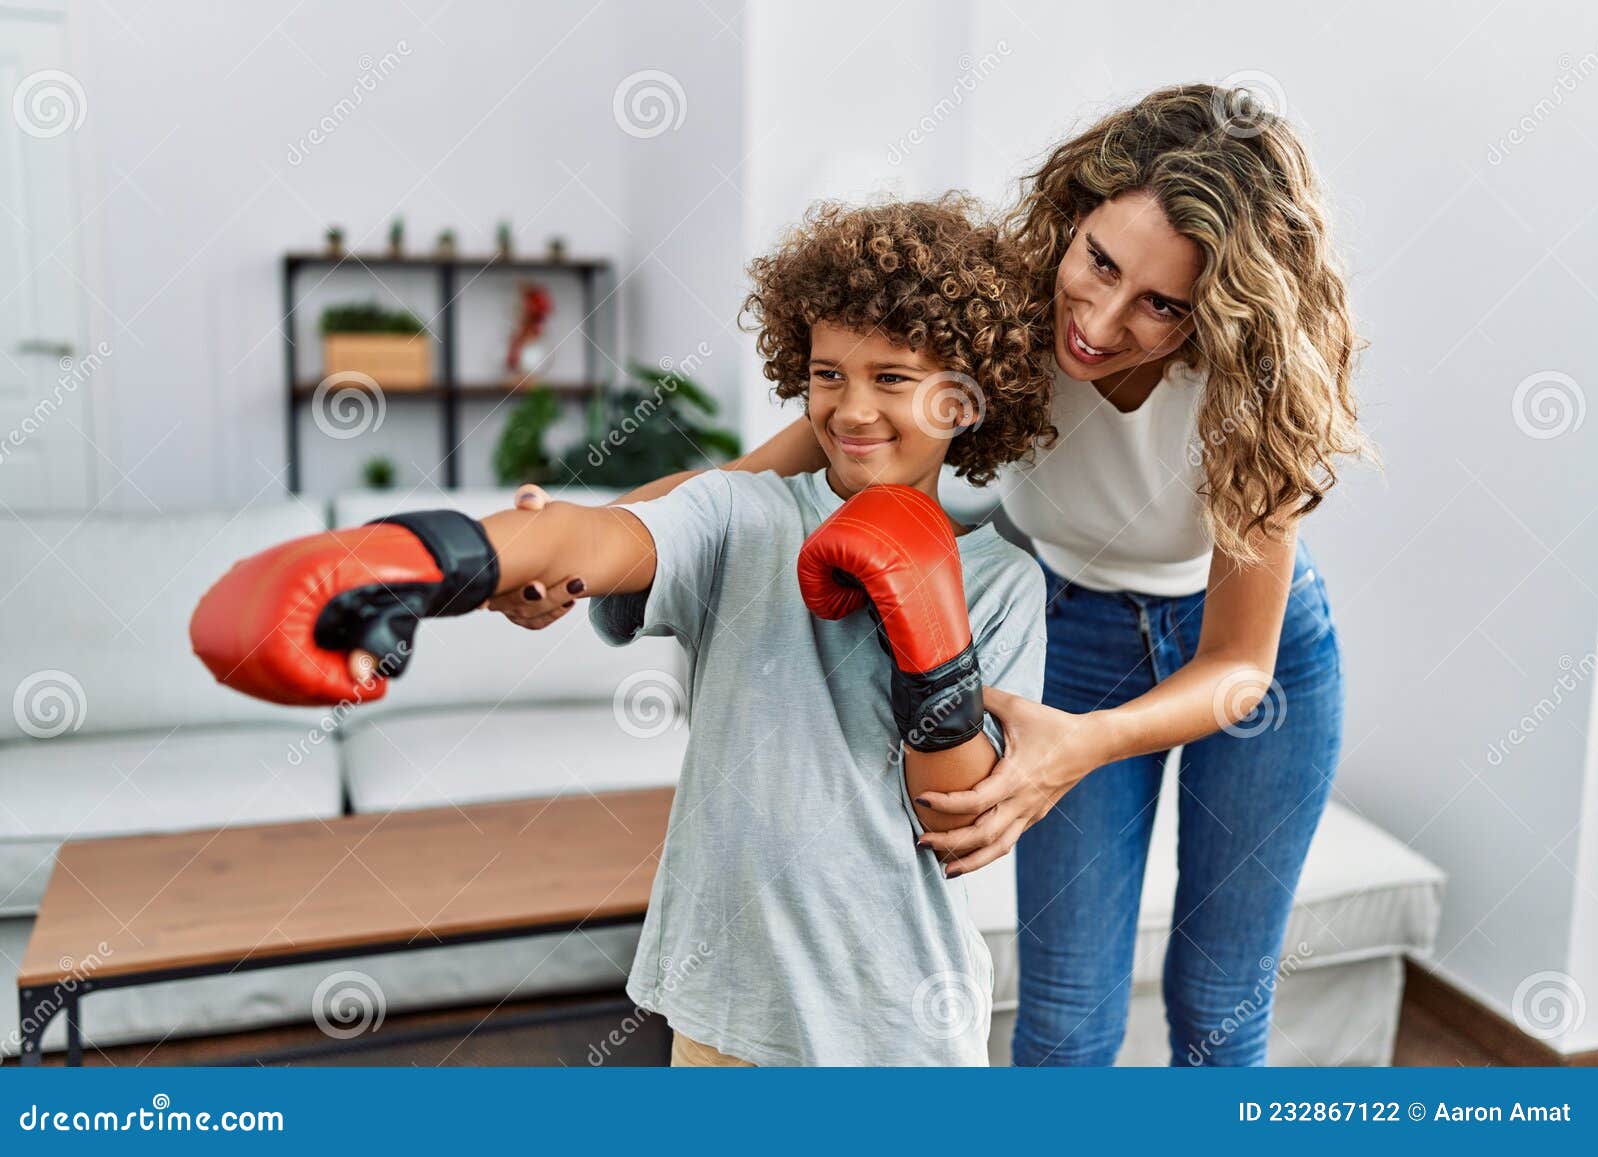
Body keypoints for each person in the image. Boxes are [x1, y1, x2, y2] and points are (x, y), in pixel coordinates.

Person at [497, 85, 1370, 1067]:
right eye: (1099, 263)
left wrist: (1083, 746)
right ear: (1075, 211)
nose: (1099, 318)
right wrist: (576, 543)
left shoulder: (1256, 384)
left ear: (1222, 304)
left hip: (1251, 659)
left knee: (1220, 1003)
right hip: (1071, 623)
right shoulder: (1003, 306)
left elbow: (1240, 664)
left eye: (1161, 304)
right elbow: (766, 466)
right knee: (1068, 1012)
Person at [190, 198, 1057, 1065]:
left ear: (965, 399)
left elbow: (957, 815)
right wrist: (426, 558)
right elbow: (596, 538)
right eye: (827, 374)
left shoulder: (1003, 584)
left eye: (892, 378)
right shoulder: (743, 514)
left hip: (902, 1019)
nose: (851, 407)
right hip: (723, 1008)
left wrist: (935, 640)